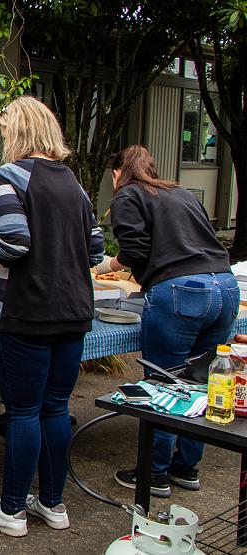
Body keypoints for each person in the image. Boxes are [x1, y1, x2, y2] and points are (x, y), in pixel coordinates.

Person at [0, 96, 104, 538]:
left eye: (4, 131)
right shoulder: (74, 184)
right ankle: (53, 504)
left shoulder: (10, 177)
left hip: (26, 313)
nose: (2, 139)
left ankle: (10, 512)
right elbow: (97, 251)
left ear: (19, 132)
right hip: (74, 313)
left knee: (22, 411)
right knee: (56, 408)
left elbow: (15, 243)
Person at [103, 145, 237, 498]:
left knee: (163, 384)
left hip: (180, 290)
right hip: (224, 285)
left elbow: (134, 251)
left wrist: (107, 266)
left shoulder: (127, 196)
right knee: (200, 382)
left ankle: (154, 474)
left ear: (118, 173)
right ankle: (186, 467)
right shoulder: (179, 192)